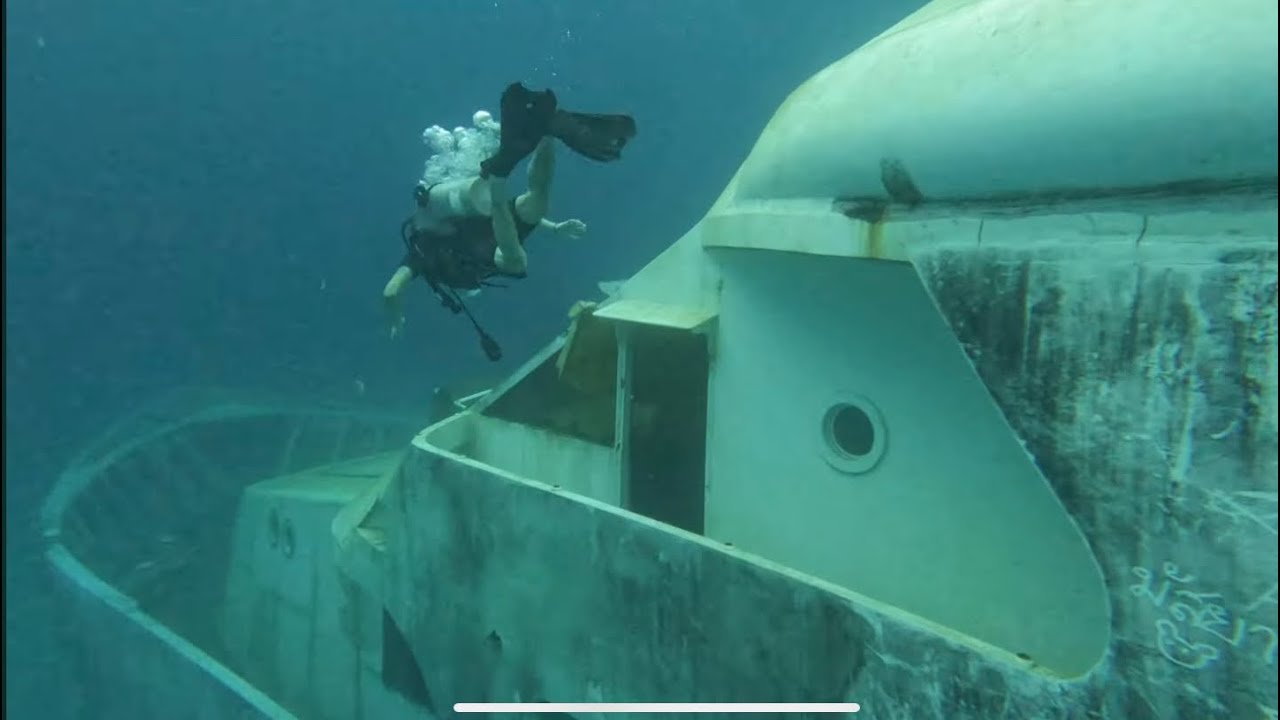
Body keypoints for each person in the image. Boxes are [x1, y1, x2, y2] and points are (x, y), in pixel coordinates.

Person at [383, 82, 637, 361]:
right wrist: (552, 227)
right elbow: (391, 291)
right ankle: (545, 135)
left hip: (488, 232)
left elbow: (391, 290)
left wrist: (396, 318)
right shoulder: (427, 248)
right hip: (488, 224)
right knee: (535, 202)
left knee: (516, 258)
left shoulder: (421, 253)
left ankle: (501, 175)